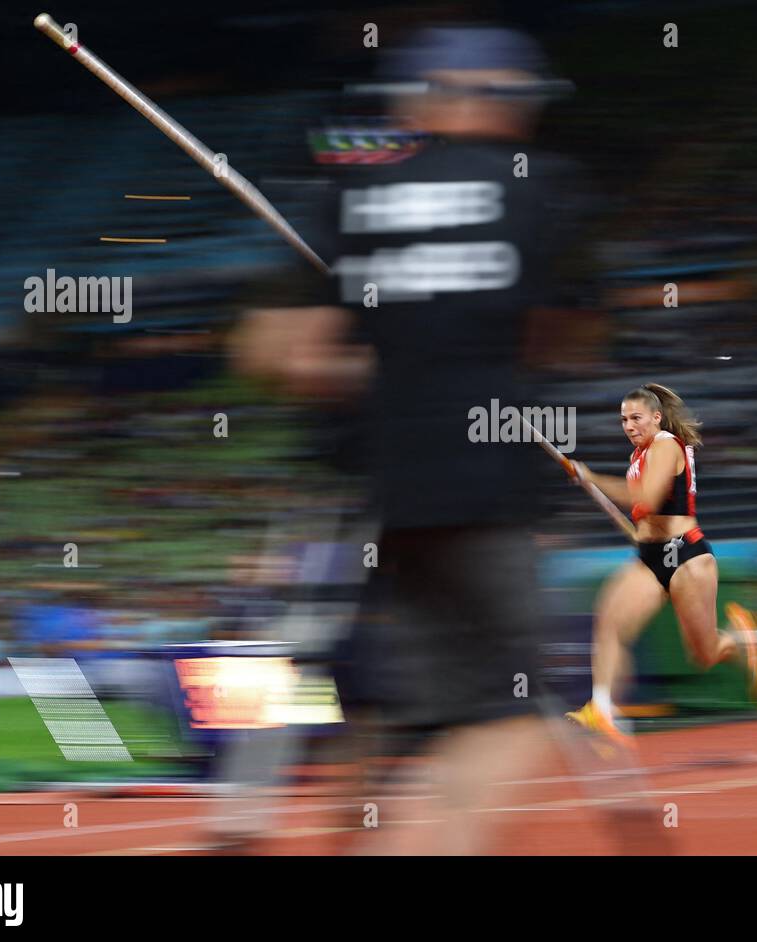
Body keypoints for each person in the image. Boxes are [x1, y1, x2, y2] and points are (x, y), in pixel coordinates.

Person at [232, 24, 584, 853]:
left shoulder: (350, 190)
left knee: (379, 708)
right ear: (483, 96)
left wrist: (377, 363)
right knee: (503, 709)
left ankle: (329, 835)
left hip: (366, 496)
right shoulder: (540, 187)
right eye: (519, 98)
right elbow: (557, 336)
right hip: (473, 492)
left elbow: (277, 354)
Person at [564, 383, 757, 743]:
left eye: (636, 417)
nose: (628, 425)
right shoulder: (637, 457)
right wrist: (597, 489)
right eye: (623, 419)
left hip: (687, 557)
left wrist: (591, 477)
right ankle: (602, 709)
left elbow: (649, 498)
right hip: (650, 558)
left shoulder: (666, 445)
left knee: (702, 655)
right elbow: (641, 508)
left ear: (656, 417)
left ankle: (736, 640)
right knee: (609, 620)